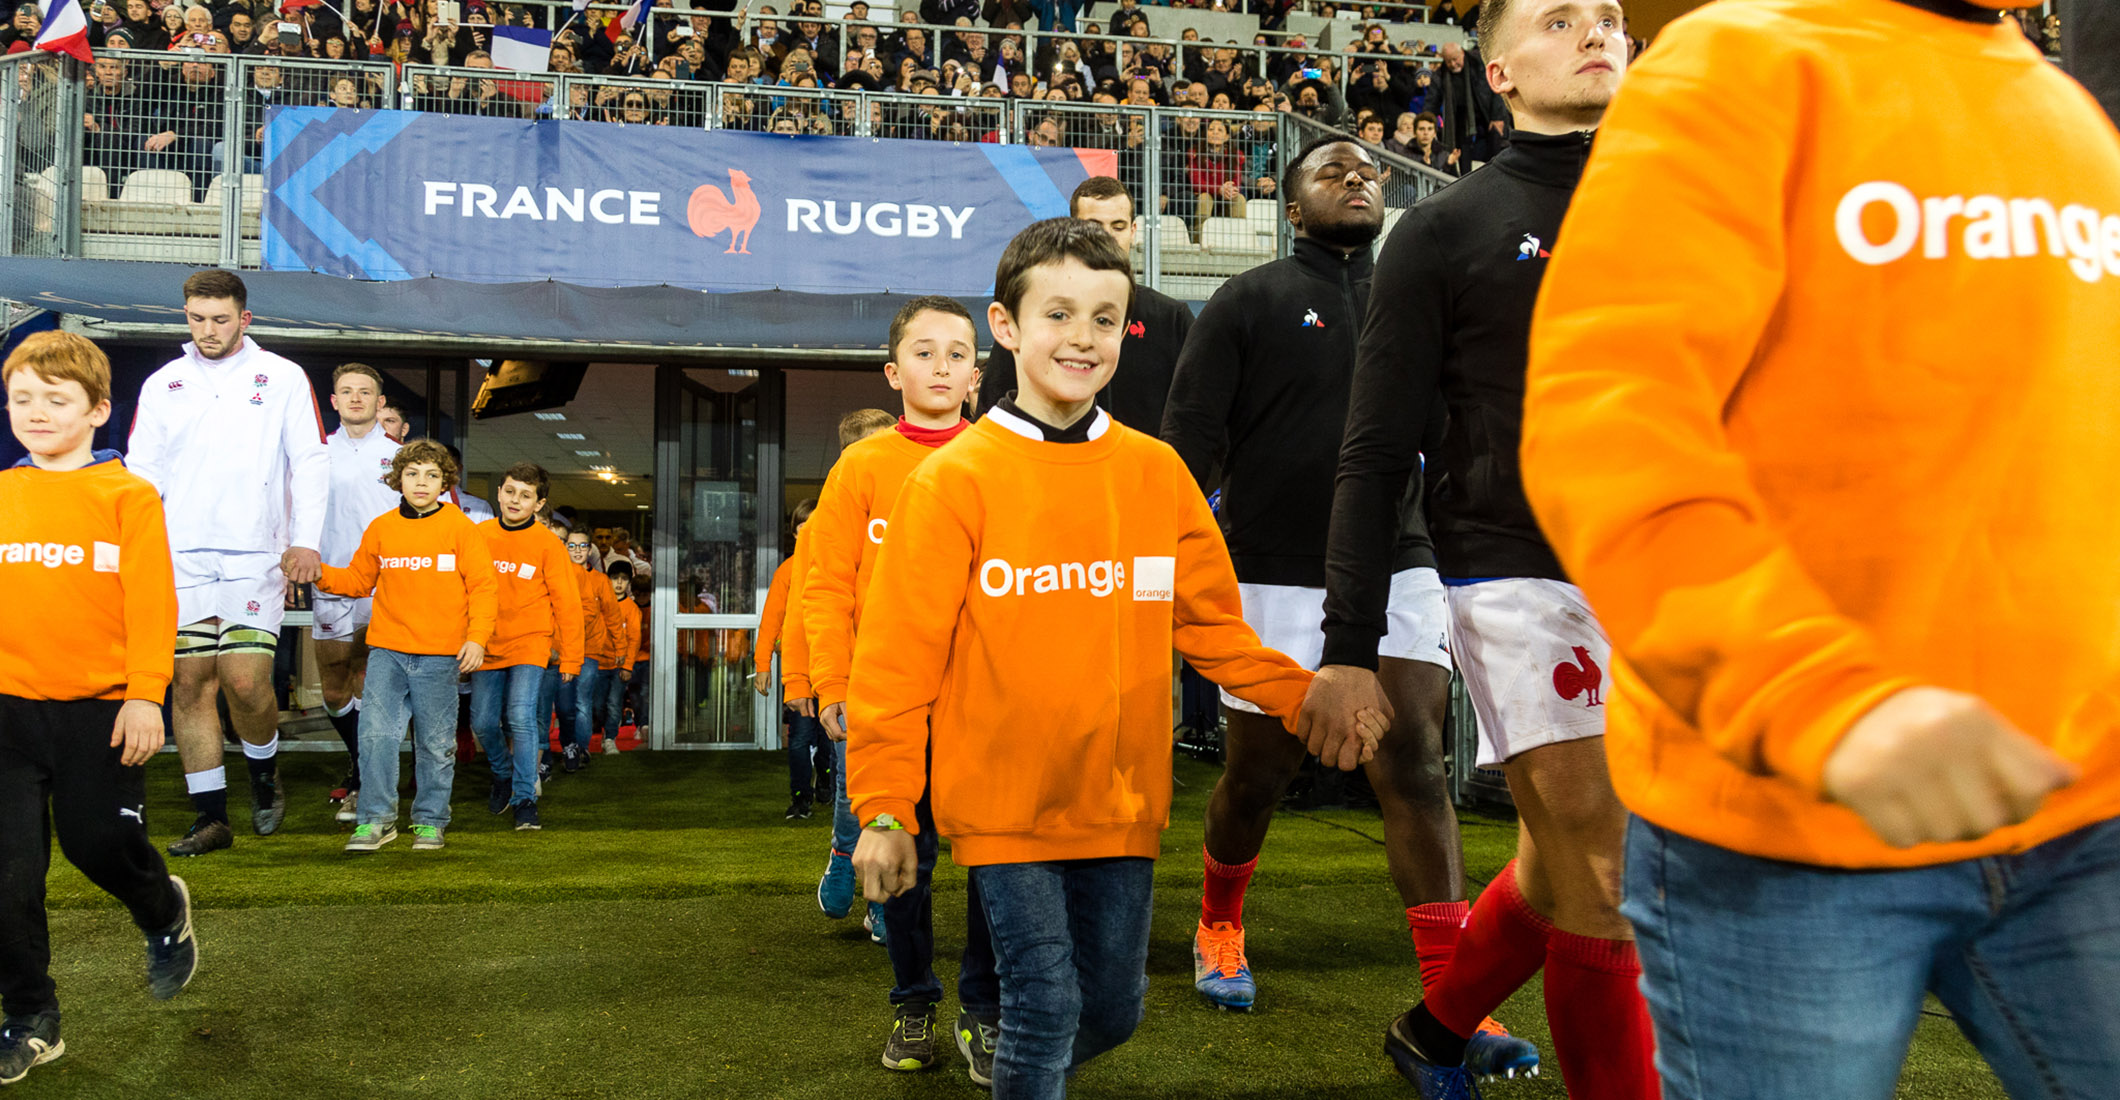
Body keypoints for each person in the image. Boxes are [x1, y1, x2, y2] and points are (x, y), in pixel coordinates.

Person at [1518, 0, 2120, 1097]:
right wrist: (1821, 702)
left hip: (2079, 809)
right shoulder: (1739, 60)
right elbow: (1609, 426)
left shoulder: (2068, 112)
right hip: (1780, 827)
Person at [851, 218, 1380, 1100]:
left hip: (1122, 799)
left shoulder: (1157, 473)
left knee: (1113, 1011)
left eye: (1106, 318)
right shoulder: (952, 483)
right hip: (1005, 802)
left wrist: (1302, 696)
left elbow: (1212, 628)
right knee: (1046, 1005)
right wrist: (882, 808)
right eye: (1058, 314)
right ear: (1007, 327)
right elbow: (896, 661)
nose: (1084, 338)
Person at [1315, 2, 1651, 1095]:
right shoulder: (1442, 230)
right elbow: (1374, 454)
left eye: (1606, 16)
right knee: (1607, 868)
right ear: (1497, 70)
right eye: (1559, 20)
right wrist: (1348, 643)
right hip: (1518, 574)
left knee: (1557, 861)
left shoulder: (1687, 199)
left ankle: (1431, 1029)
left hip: (1674, 566)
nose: (1595, 29)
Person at [1157, 135, 1484, 1050]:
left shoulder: (1414, 298)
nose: (1357, 178)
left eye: (1367, 170)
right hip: (1269, 568)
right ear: (1291, 208)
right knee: (1260, 774)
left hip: (1399, 558)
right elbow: (1187, 437)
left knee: (1414, 759)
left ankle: (1450, 992)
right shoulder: (1247, 299)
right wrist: (1178, 555)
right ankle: (1219, 920)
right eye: (1331, 171)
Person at [803, 299, 996, 1081]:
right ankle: (914, 1002)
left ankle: (982, 1014)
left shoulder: (998, 459)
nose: (942, 366)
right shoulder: (861, 466)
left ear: (977, 376)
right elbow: (826, 585)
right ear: (893, 374)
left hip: (981, 703)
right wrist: (831, 680)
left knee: (993, 865)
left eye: (958, 354)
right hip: (893, 706)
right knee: (905, 867)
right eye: (924, 353)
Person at [0, 333, 198, 1087]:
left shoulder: (128, 496)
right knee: (7, 877)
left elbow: (152, 605)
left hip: (100, 711)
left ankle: (161, 910)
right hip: (6, 716)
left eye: (57, 399)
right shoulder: (2, 494)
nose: (37, 412)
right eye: (23, 399)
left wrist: (146, 694)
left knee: (96, 849)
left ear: (98, 410)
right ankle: (30, 1018)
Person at [127, 271, 329, 857]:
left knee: (244, 680)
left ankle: (264, 773)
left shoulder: (283, 377)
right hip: (180, 553)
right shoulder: (165, 382)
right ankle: (210, 815)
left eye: (220, 318)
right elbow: (143, 474)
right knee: (189, 683)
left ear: (245, 318)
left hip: (255, 552)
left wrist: (304, 540)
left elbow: (310, 461)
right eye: (197, 317)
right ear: (185, 315)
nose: (208, 330)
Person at [317, 439, 498, 853]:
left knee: (436, 744)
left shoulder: (460, 528)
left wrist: (477, 638)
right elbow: (357, 581)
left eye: (432, 475)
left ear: (445, 482)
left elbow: (484, 588)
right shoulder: (382, 527)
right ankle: (376, 821)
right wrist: (318, 573)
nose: (421, 482)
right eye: (413, 473)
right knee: (376, 737)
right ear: (398, 479)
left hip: (440, 655)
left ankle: (430, 821)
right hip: (387, 652)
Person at [978, 176, 1193, 435]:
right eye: (1094, 226)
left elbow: (1194, 412)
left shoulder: (1171, 318)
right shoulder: (1028, 313)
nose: (1106, 237)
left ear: (1133, 232)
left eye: (1118, 226)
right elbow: (994, 411)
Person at [790, 412, 892, 938]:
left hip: (904, 677)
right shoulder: (832, 515)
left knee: (894, 796)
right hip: (850, 678)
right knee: (857, 789)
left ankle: (874, 882)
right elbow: (804, 603)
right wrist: (800, 680)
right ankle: (853, 866)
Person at [472, 462, 582, 833]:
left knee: (520, 717)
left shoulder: (549, 545)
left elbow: (567, 604)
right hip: (485, 642)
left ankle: (524, 799)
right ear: (498, 493)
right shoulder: (479, 536)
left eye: (525, 495)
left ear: (539, 503)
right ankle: (503, 773)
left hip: (531, 644)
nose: (515, 500)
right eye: (509, 491)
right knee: (483, 723)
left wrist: (571, 656)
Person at [313, 363, 402, 825]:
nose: (354, 399)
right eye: (345, 391)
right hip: (328, 580)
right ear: (333, 401)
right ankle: (362, 759)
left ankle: (367, 779)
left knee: (368, 682)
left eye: (364, 392)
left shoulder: (401, 458)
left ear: (379, 402)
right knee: (332, 688)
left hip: (380, 585)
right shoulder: (315, 453)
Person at [754, 497, 832, 820]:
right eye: (803, 526)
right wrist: (762, 666)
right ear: (795, 533)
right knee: (800, 735)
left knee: (832, 732)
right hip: (799, 667)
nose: (810, 531)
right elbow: (771, 619)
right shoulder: (787, 572)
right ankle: (801, 798)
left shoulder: (835, 563)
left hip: (832, 663)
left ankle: (826, 780)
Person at [1430, 41, 1508, 163]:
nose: (1452, 64)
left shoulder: (1480, 62)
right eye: (1448, 61)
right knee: (1463, 157)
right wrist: (1429, 123)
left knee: (1496, 153)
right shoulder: (1440, 75)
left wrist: (1497, 117)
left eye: (1455, 59)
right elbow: (1431, 102)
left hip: (1488, 115)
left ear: (1462, 53)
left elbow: (1497, 89)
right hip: (1461, 121)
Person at [599, 561, 642, 752]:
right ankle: (602, 732)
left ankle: (609, 738)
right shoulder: (598, 604)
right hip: (596, 662)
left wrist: (627, 666)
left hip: (618, 665)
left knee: (614, 703)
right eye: (615, 578)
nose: (618, 583)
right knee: (596, 704)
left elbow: (634, 639)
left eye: (623, 579)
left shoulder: (632, 609)